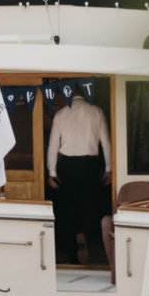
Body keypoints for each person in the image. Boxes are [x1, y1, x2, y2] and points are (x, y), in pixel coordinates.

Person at [46, 88, 112, 266]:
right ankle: (85, 233)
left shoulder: (61, 114)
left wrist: (52, 173)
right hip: (90, 164)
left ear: (68, 95)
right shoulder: (96, 111)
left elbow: (53, 146)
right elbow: (106, 143)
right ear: (85, 93)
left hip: (67, 165)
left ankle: (72, 255)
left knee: (67, 208)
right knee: (90, 204)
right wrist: (108, 169)